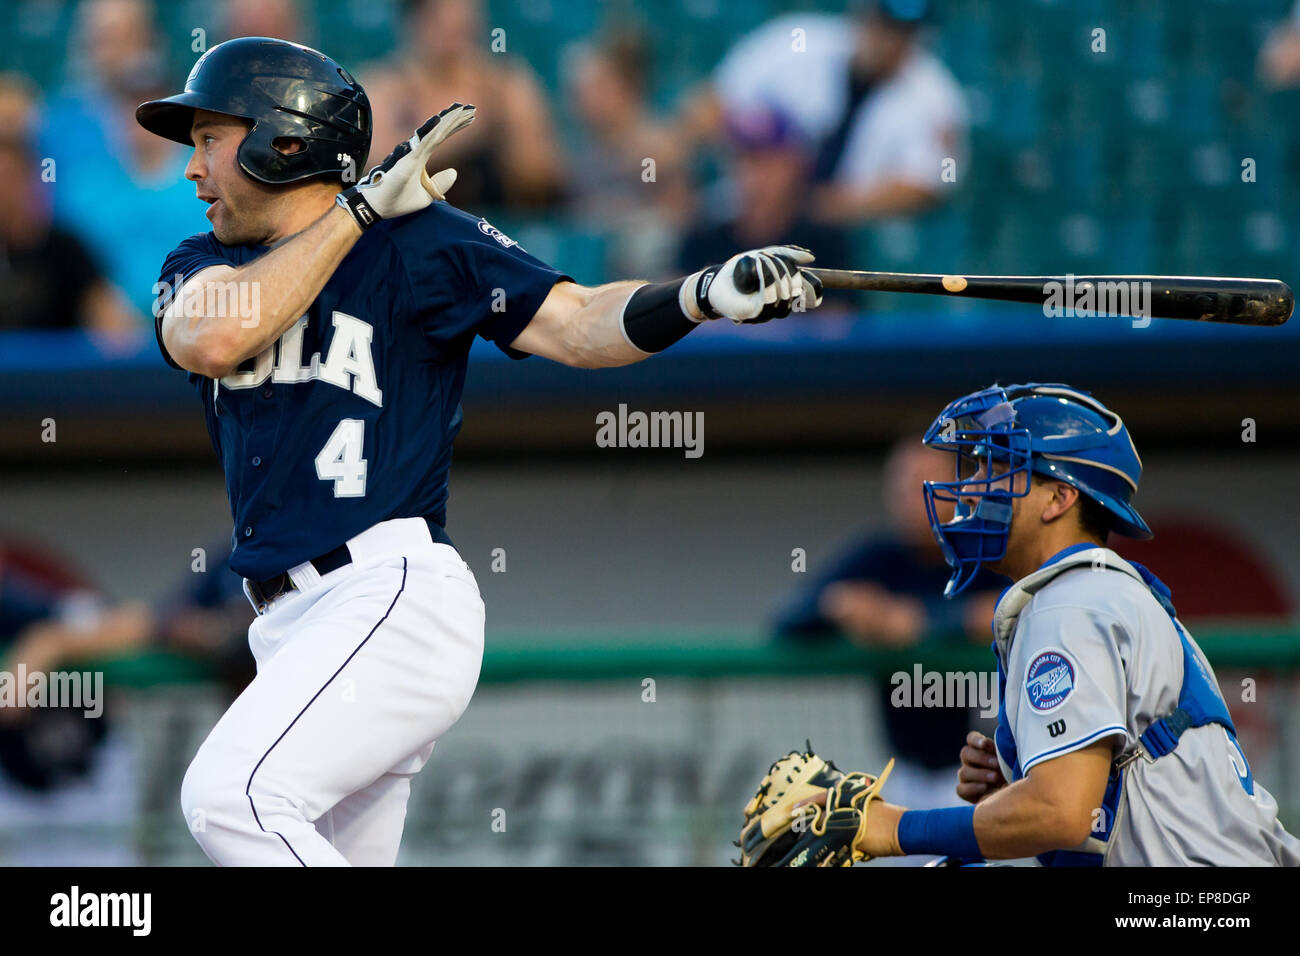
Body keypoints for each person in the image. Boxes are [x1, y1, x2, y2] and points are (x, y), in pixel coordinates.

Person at [134, 36, 825, 866]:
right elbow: (215, 336)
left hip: (387, 595)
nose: (191, 168)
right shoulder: (202, 262)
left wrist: (700, 294)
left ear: (280, 141)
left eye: (209, 138)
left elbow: (576, 322)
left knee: (229, 798)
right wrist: (357, 211)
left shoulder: (422, 242)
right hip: (285, 621)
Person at [805, 383, 1299, 866]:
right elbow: (1090, 806)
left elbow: (1062, 814)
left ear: (1059, 498)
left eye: (998, 469)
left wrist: (892, 828)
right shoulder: (1099, 592)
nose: (973, 489)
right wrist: (1022, 786)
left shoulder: (1068, 606)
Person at [772, 439, 1000, 825]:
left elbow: (1018, 602)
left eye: (923, 487)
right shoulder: (879, 557)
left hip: (991, 771)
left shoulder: (985, 552)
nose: (909, 500)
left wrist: (922, 622)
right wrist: (841, 605)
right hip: (902, 774)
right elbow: (789, 620)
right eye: (902, 488)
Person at [680, 0, 967, 227]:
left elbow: (930, 184)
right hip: (748, 208)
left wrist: (819, 206)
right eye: (884, 26)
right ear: (865, 17)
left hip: (849, 228)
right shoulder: (798, 41)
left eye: (903, 32)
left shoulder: (935, 96)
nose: (889, 41)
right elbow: (712, 104)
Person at [362, 0, 563, 210]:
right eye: (441, 17)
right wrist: (461, 135)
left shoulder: (505, 85)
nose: (454, 26)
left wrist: (505, 130)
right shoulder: (387, 89)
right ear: (415, 22)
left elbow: (543, 177)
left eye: (464, 19)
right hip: (413, 225)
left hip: (497, 223)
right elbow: (377, 171)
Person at [677, 106, 850, 300]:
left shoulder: (823, 242)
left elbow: (837, 323)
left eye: (767, 160)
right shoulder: (703, 239)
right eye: (744, 158)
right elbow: (674, 311)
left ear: (796, 165)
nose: (754, 175)